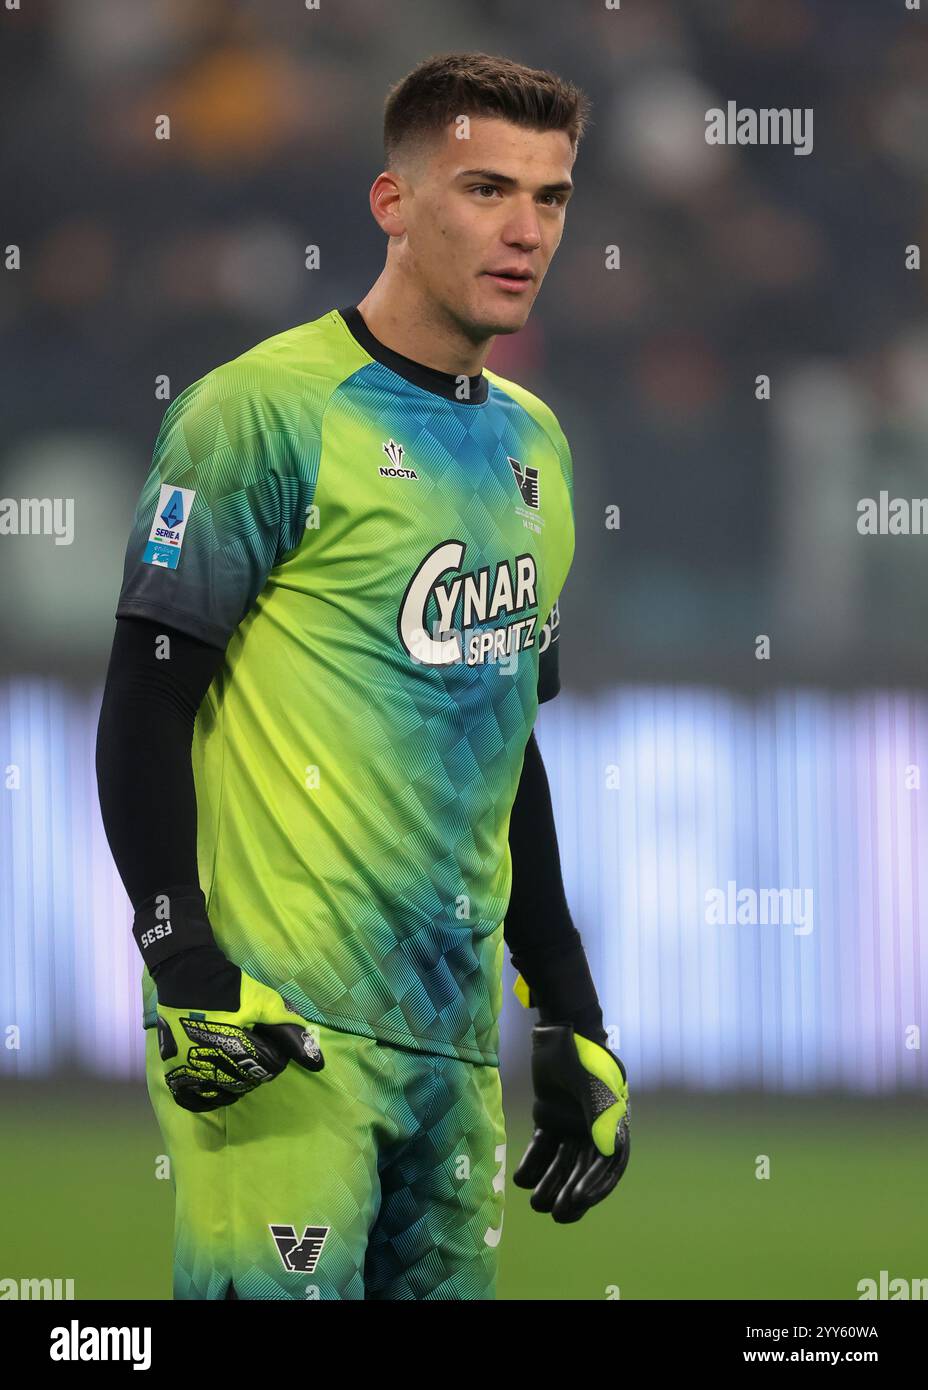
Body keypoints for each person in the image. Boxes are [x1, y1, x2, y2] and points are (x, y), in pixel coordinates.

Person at [96, 51, 629, 1302]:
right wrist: (182, 963)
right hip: (278, 1038)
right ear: (393, 203)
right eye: (485, 188)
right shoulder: (260, 413)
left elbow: (509, 742)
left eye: (550, 198)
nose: (524, 229)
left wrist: (568, 1009)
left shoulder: (533, 442)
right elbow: (147, 690)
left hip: (451, 1053)